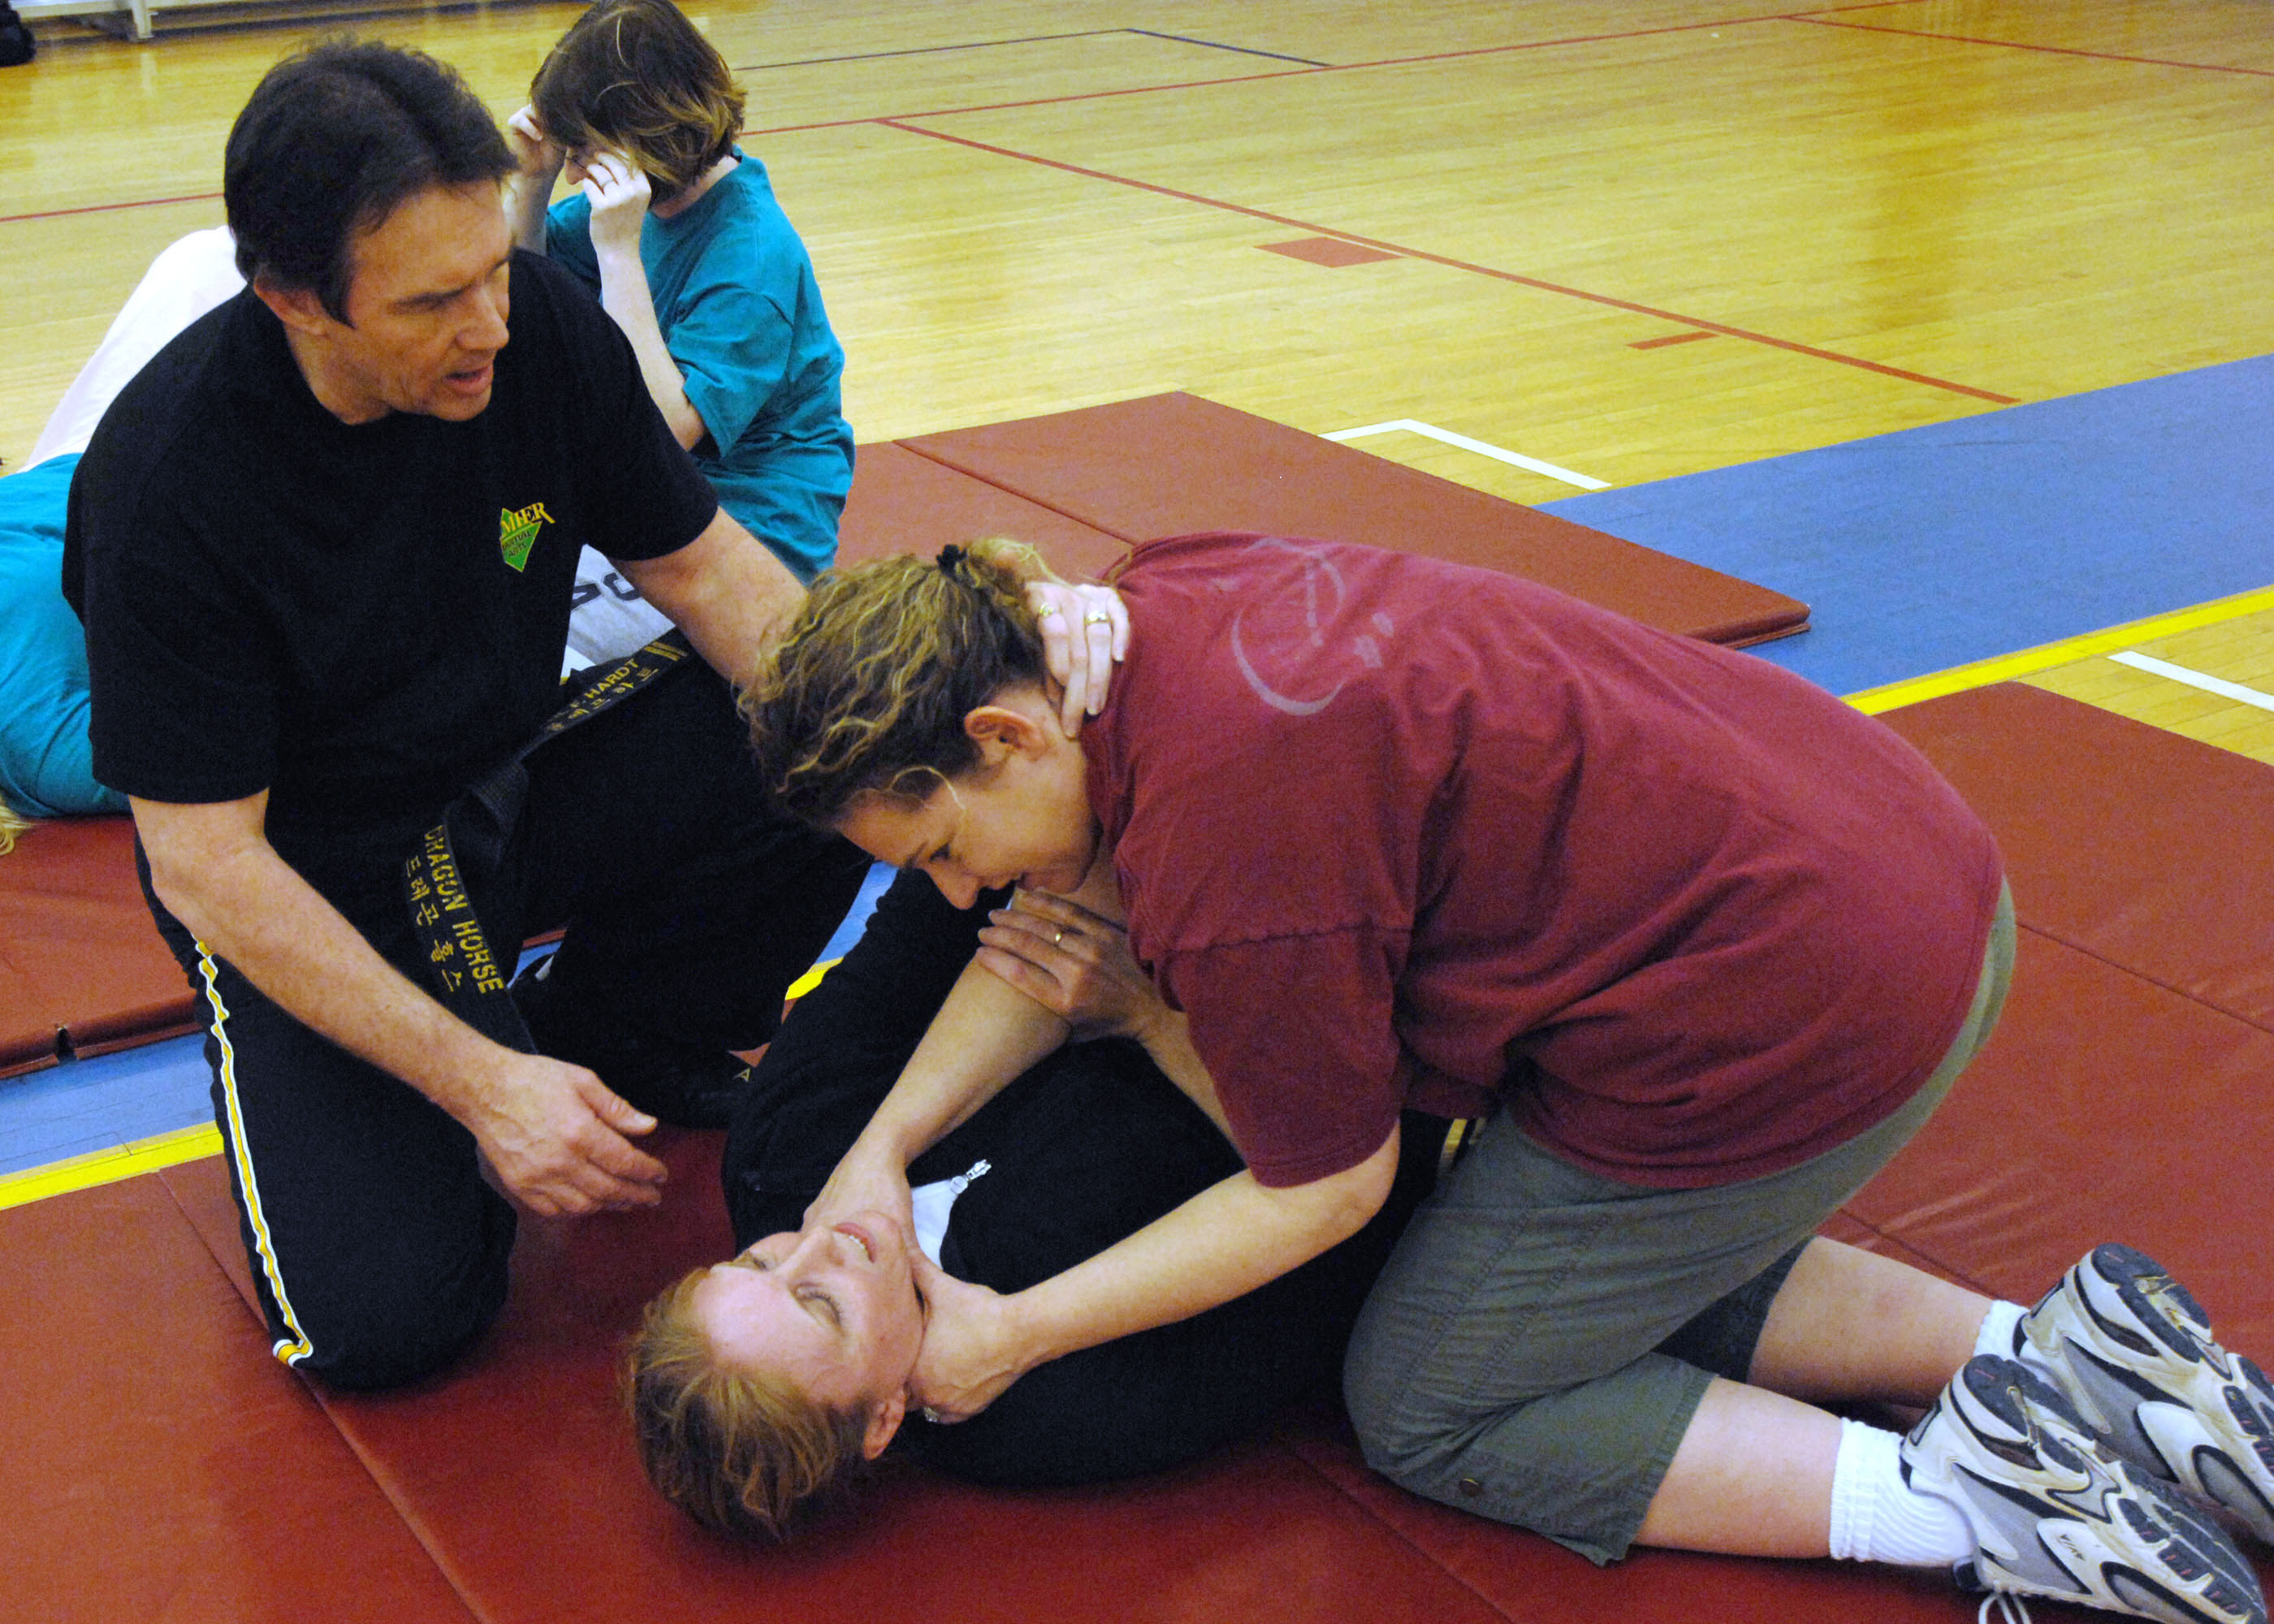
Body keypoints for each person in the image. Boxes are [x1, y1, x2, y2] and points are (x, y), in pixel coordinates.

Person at [739, 534, 2274, 1624]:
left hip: (1816, 996)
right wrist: (880, 1155)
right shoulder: (1135, 610)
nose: (950, 896)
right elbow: (1050, 937)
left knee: (1430, 1398)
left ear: (1003, 734)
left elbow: (1331, 1187)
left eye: (940, 850)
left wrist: (1016, 1332)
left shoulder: (1229, 855)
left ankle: (1978, 1504)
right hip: (1891, 844)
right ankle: (2074, 1357)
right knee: (1540, 1265)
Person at [58, 41, 1121, 1393]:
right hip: (315, 877)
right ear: (291, 301)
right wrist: (481, 1085)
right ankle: (501, 1053)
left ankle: (617, 1025)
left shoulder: (537, 333)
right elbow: (210, 867)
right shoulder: (174, 493)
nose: (490, 326)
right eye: (434, 301)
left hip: (502, 778)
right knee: (389, 1321)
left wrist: (965, 715)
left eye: (495, 268)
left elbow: (712, 575)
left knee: (822, 744)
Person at [628, 869, 1448, 1537]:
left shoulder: (782, 1161)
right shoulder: (1065, 1407)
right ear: (883, 1418)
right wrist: (1153, 1020)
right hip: (1365, 999)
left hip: (1146, 872)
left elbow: (940, 905)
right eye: (819, 1301)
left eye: (755, 1259)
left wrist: (883, 1141)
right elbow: (1359, 1207)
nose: (818, 1238)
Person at [506, 0, 851, 587]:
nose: (573, 174)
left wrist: (618, 255)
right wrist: (533, 184)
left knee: (524, 623)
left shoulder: (753, 255)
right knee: (486, 576)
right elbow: (521, 300)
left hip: (752, 535)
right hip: (658, 504)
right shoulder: (649, 201)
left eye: (582, 152)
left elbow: (663, 433)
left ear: (640, 134)